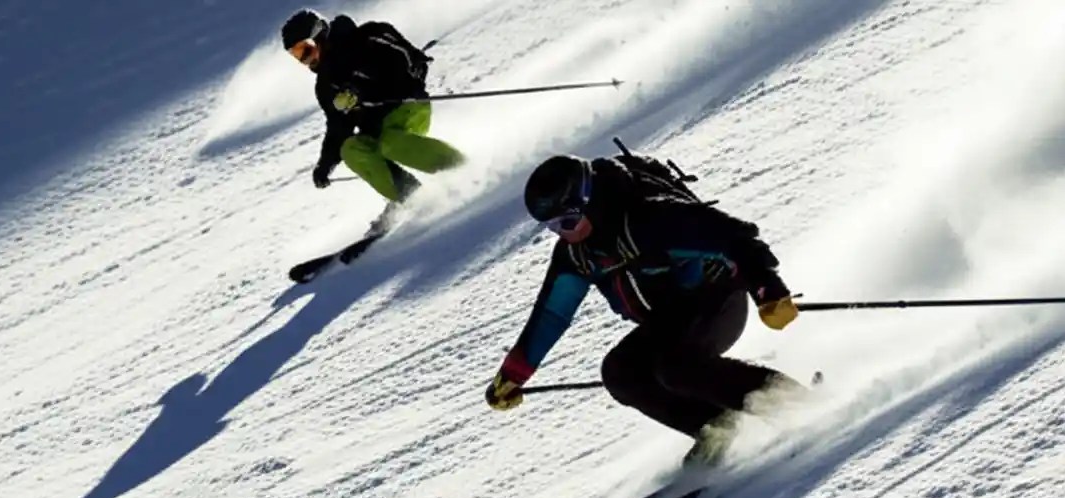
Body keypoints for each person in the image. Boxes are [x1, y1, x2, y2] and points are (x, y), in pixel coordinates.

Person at [484, 152, 804, 464]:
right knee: (620, 373)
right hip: (669, 320)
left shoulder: (649, 219)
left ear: (589, 202)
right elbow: (552, 314)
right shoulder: (576, 254)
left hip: (717, 300)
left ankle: (794, 405)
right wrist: (513, 375)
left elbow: (734, 237)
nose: (563, 233)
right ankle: (715, 427)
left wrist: (768, 291)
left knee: (675, 366)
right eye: (552, 227)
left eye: (568, 221)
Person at [280, 9, 465, 210]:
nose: (306, 60)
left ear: (319, 36)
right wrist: (325, 165)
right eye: (298, 56)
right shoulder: (325, 86)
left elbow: (405, 57)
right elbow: (338, 125)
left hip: (406, 106)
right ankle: (411, 197)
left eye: (305, 50)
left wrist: (369, 88)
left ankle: (459, 169)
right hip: (378, 129)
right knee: (351, 150)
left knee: (389, 144)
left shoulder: (363, 38)